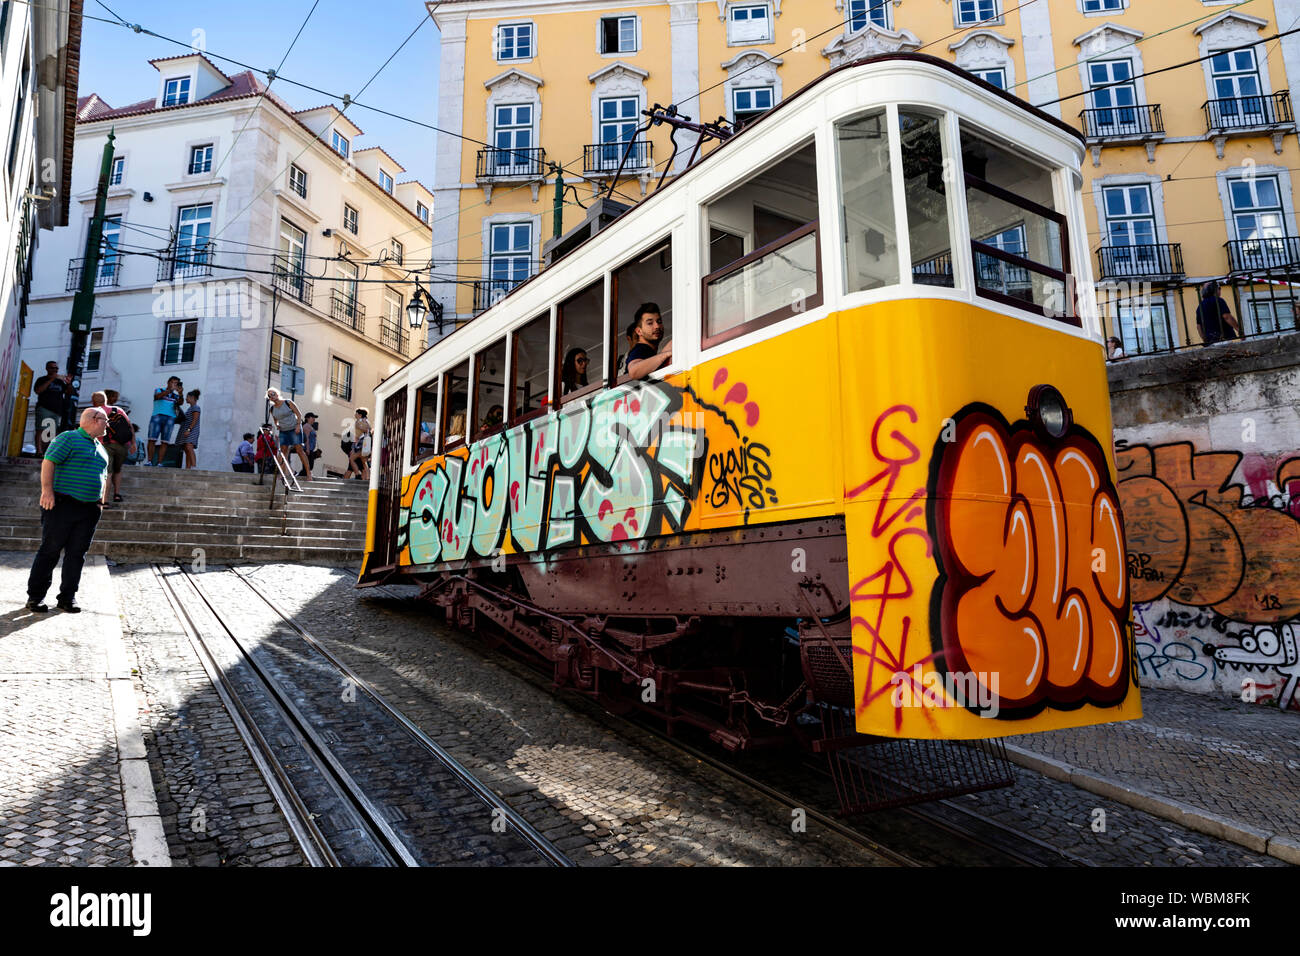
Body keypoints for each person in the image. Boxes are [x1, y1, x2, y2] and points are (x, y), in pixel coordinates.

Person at [25, 406, 110, 613]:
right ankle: (35, 597)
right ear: (94, 419)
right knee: (50, 550)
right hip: (63, 504)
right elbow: (49, 462)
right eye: (105, 420)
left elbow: (104, 476)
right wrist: (47, 491)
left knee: (77, 554)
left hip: (89, 509)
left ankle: (67, 597)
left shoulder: (100, 447)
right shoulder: (68, 438)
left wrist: (100, 502)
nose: (107, 424)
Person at [90, 390, 134, 503]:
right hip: (122, 445)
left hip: (105, 445)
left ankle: (104, 501)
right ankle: (117, 494)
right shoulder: (118, 410)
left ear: (93, 402)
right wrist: (133, 444)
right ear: (106, 400)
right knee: (118, 470)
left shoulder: (93, 412)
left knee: (108, 473)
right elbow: (130, 426)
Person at [266, 387, 312, 481]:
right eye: (269, 396)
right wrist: (277, 425)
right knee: (283, 453)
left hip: (294, 429)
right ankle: (282, 474)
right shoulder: (272, 409)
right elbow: (275, 419)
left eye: (273, 394)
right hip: (283, 431)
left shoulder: (288, 402)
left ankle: (308, 473)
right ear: (269, 399)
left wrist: (298, 425)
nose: (272, 396)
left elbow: (298, 414)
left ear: (277, 394)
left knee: (299, 451)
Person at [623, 302, 672, 379]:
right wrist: (666, 354)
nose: (657, 326)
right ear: (639, 331)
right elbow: (634, 371)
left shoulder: (649, 351)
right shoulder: (641, 349)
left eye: (659, 322)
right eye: (650, 323)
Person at [32, 361, 71, 455]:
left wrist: (68, 383)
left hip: (56, 410)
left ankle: (48, 452)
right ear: (47, 369)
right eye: (52, 368)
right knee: (41, 429)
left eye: (56, 368)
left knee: (52, 432)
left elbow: (68, 393)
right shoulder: (42, 379)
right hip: (44, 407)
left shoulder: (60, 382)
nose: (55, 370)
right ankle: (39, 451)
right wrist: (51, 379)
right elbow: (38, 391)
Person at [148, 376, 184, 466]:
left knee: (165, 442)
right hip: (157, 416)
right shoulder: (159, 390)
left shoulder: (175, 396)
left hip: (170, 418)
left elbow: (181, 403)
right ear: (168, 382)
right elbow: (157, 396)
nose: (174, 384)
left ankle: (160, 463)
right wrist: (169, 391)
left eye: (176, 383)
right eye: (173, 382)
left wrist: (181, 393)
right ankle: (149, 461)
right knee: (152, 439)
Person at [1195, 280, 1241, 345]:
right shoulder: (1218, 300)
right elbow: (1227, 317)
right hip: (1224, 338)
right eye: (1219, 288)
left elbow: (1198, 327)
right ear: (1215, 290)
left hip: (1210, 341)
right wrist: (1239, 330)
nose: (1220, 290)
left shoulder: (1199, 307)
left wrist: (1205, 340)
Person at [344, 408, 372, 480]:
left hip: (360, 443)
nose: (355, 414)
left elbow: (365, 430)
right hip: (364, 444)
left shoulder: (359, 422)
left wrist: (359, 426)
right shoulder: (366, 421)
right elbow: (369, 429)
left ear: (360, 415)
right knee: (364, 462)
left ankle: (358, 474)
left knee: (352, 459)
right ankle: (368, 477)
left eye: (356, 413)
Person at [177, 389, 201, 469]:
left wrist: (189, 430)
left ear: (192, 397)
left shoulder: (196, 407)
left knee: (189, 447)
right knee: (186, 449)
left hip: (192, 430)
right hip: (187, 430)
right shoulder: (190, 409)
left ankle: (194, 466)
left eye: (187, 397)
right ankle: (188, 467)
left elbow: (195, 419)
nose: (186, 399)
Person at [300, 412, 321, 477]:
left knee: (309, 466)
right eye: (312, 417)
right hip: (307, 449)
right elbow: (306, 438)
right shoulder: (307, 426)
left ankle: (302, 477)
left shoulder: (310, 426)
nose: (314, 419)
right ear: (307, 418)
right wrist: (307, 449)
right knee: (308, 466)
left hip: (310, 449)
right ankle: (299, 476)